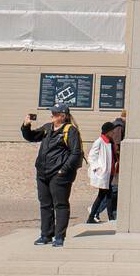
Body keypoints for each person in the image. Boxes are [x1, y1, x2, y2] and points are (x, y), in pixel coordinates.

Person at [21, 106, 83, 247]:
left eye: (55, 113)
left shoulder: (70, 131)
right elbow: (31, 137)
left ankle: (59, 237)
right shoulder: (47, 128)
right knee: (45, 205)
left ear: (63, 116)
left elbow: (76, 153)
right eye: (52, 113)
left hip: (59, 174)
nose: (52, 116)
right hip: (43, 172)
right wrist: (26, 126)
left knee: (60, 205)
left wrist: (63, 170)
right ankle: (45, 235)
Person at [86, 122, 116, 224]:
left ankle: (91, 217)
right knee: (106, 195)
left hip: (110, 173)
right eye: (112, 131)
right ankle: (110, 218)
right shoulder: (99, 142)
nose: (113, 132)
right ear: (107, 131)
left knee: (105, 195)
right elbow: (91, 157)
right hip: (103, 173)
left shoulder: (110, 142)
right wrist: (98, 169)